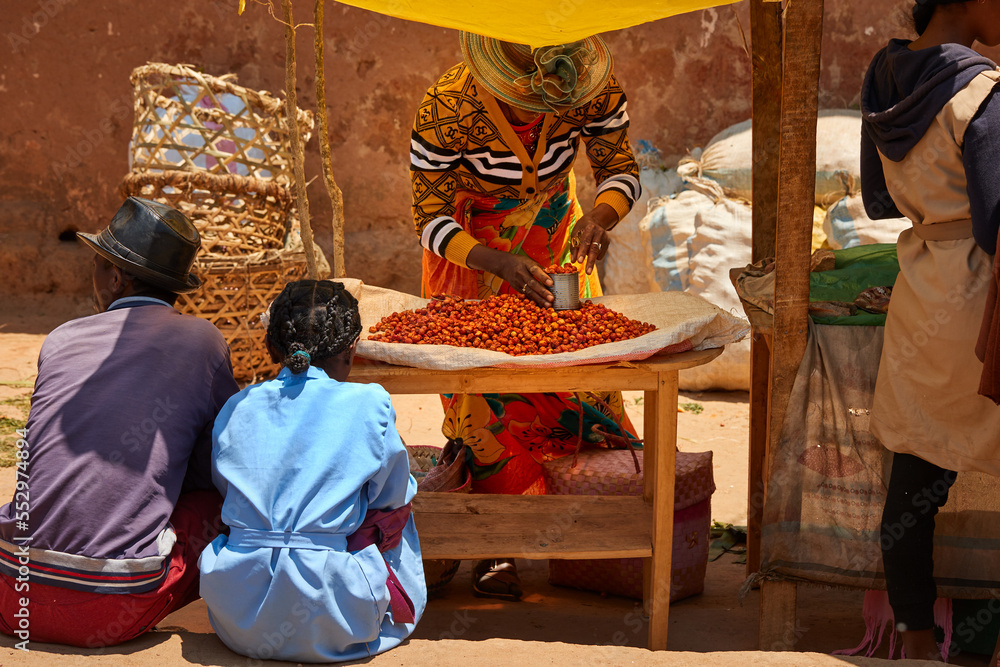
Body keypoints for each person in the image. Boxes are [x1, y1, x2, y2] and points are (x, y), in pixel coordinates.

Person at [409, 32, 643, 598]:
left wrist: (603, 218)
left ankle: (582, 528)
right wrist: (499, 263)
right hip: (472, 251)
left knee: (576, 382)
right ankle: (495, 543)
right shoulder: (448, 104)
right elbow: (429, 217)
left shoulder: (590, 83)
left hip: (558, 237)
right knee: (486, 396)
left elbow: (621, 170)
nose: (543, 116)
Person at [0, 197, 239, 647]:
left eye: (98, 263)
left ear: (115, 278)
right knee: (220, 506)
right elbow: (221, 466)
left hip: (14, 596)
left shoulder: (61, 338)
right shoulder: (202, 342)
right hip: (112, 607)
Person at [860, 1, 1000, 660]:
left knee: (916, 468)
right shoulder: (979, 93)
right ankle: (981, 643)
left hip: (921, 286)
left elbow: (879, 199)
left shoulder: (886, 75)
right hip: (979, 293)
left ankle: (915, 636)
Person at [199, 280, 425, 662]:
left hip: (238, 618)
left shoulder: (237, 406)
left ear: (273, 347)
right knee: (393, 512)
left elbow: (228, 488)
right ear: (352, 349)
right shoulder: (370, 404)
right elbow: (393, 496)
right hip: (337, 617)